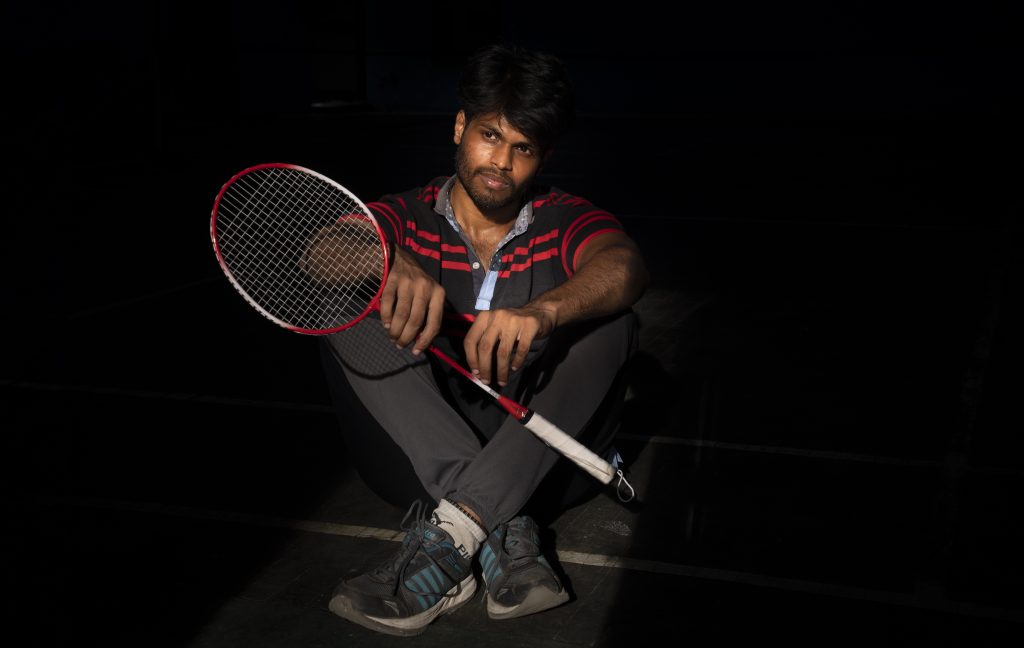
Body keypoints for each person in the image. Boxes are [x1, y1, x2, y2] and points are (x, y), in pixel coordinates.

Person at [319, 43, 649, 636]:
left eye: (522, 148)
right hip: (418, 451)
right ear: (458, 127)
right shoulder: (406, 213)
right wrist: (387, 260)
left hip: (543, 456)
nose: (501, 161)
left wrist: (544, 312)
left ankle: (454, 534)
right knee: (347, 301)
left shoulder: (563, 217)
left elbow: (624, 264)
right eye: (490, 136)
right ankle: (492, 523)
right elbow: (323, 253)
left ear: (542, 156)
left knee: (614, 322)